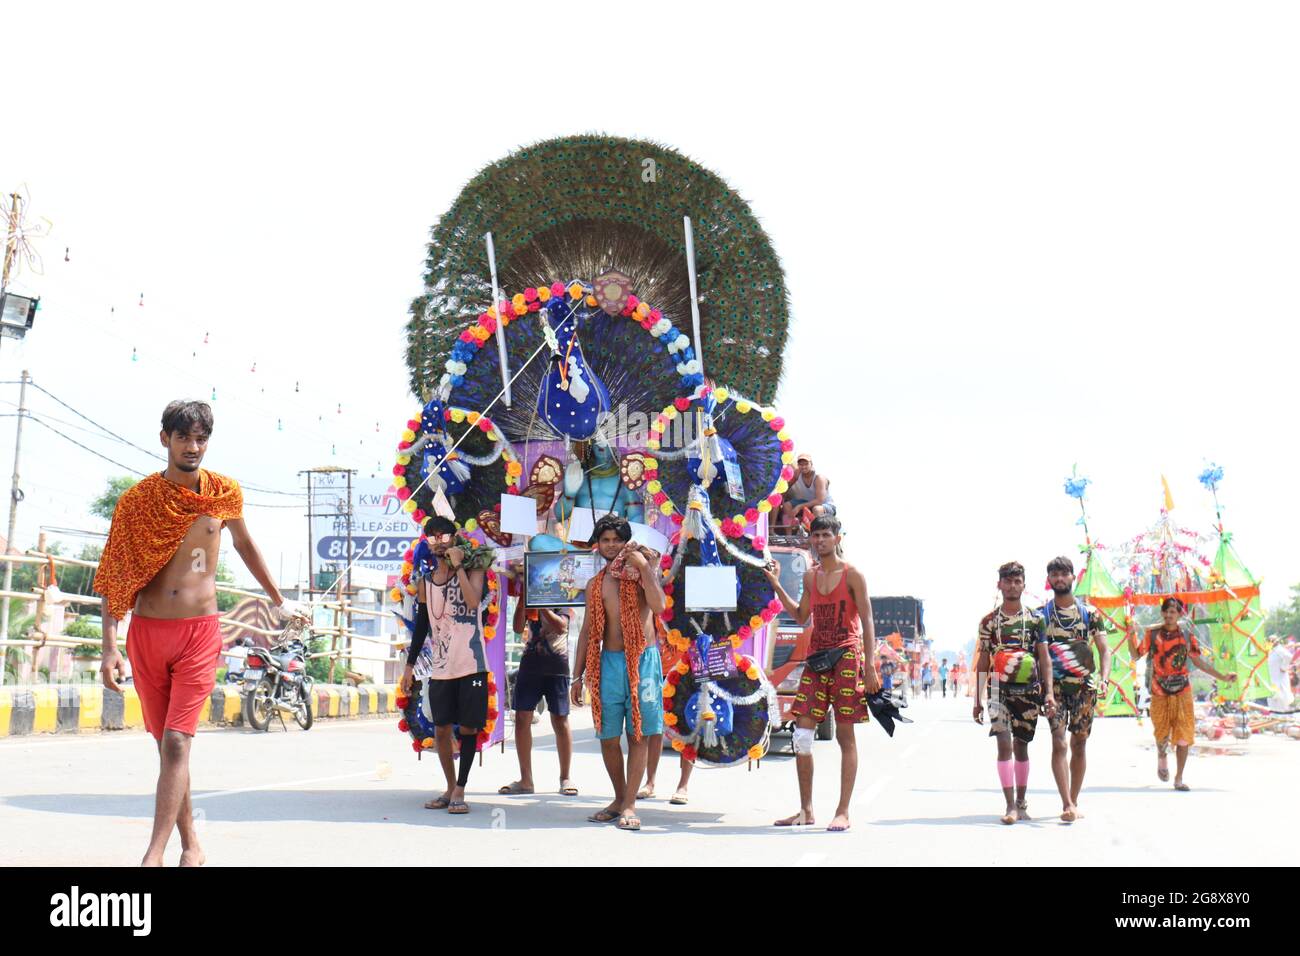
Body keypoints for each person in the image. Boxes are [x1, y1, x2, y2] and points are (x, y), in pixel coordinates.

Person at [94, 400, 306, 866]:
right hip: (147, 633)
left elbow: (245, 544)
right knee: (168, 747)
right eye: (184, 437)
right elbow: (113, 572)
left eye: (201, 438)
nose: (193, 447)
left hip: (199, 633)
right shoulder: (138, 501)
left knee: (176, 742)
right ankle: (192, 845)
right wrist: (110, 647)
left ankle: (153, 856)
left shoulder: (223, 494)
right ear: (164, 439)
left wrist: (280, 600)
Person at [764, 515, 880, 832]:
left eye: (826, 535)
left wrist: (869, 666)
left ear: (838, 537)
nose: (820, 541)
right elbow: (802, 615)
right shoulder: (811, 577)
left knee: (845, 735)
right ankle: (805, 809)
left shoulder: (853, 574)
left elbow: (868, 620)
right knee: (801, 735)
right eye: (816, 536)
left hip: (846, 655)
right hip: (817, 657)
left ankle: (842, 811)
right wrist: (776, 586)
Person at [570, 515, 667, 832]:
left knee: (638, 734)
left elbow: (660, 606)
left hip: (643, 661)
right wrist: (576, 674)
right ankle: (618, 798)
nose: (611, 545)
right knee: (608, 737)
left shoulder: (640, 573)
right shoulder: (595, 583)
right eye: (605, 539)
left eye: (616, 540)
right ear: (597, 544)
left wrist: (643, 568)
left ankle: (629, 804)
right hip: (607, 664)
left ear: (626, 543)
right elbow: (586, 631)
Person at [399, 516, 488, 816]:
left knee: (467, 728)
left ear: (455, 537)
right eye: (433, 537)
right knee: (440, 730)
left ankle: (461, 788)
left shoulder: (475, 569)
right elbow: (422, 625)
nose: (439, 542)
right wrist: (409, 667)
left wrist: (459, 565)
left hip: (471, 664)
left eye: (444, 536)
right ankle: (450, 787)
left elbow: (474, 602)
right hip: (440, 667)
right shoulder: (426, 581)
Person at [1130, 597, 1236, 789]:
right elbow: (1136, 655)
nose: (1170, 615)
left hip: (1183, 690)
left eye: (1174, 612)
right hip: (1159, 690)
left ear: (1180, 614)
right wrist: (1131, 634)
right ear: (1162, 613)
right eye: (1167, 611)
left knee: (1184, 734)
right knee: (1161, 732)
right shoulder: (1152, 634)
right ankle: (1162, 755)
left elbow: (1199, 662)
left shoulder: (1187, 636)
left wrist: (1222, 677)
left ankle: (1179, 778)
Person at [1036, 555, 1111, 823]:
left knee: (1080, 744)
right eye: (1054, 575)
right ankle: (1067, 803)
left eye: (1063, 574)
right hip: (1053, 689)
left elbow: (1104, 650)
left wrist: (1103, 678)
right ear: (1049, 580)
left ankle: (1074, 799)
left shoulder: (1090, 614)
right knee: (1059, 742)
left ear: (1072, 577)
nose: (1059, 578)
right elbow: (1037, 655)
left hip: (1084, 690)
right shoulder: (1040, 616)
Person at [973, 561, 1044, 824]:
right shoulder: (989, 621)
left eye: (1017, 581)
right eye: (1008, 581)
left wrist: (1047, 692)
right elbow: (982, 660)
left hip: (1027, 688)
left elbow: (1043, 657)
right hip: (996, 688)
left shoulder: (1036, 620)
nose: (1013, 585)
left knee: (1021, 746)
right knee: (1003, 743)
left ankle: (1022, 802)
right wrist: (976, 699)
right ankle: (1010, 805)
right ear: (999, 584)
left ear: (1024, 585)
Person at [498, 593, 577, 797]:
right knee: (522, 718)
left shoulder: (564, 595)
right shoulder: (528, 595)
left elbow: (561, 626)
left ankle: (565, 777)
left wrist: (539, 602)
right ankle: (526, 780)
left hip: (557, 665)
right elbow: (517, 628)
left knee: (560, 720)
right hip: (530, 663)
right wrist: (523, 603)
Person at [778, 453, 836, 531]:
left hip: (824, 505)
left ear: (811, 464)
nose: (803, 466)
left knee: (817, 509)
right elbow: (786, 488)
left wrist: (799, 507)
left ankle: (816, 532)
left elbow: (820, 500)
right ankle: (792, 530)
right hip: (807, 502)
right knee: (786, 505)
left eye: (806, 464)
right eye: (801, 464)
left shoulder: (819, 478)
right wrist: (780, 500)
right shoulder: (797, 473)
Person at [1267, 635, 1295, 712]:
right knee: (1272, 699)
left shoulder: (1279, 649)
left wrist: (1283, 667)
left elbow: (1288, 656)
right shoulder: (1271, 650)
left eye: (1271, 641)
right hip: (1272, 678)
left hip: (1279, 679)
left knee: (1282, 699)